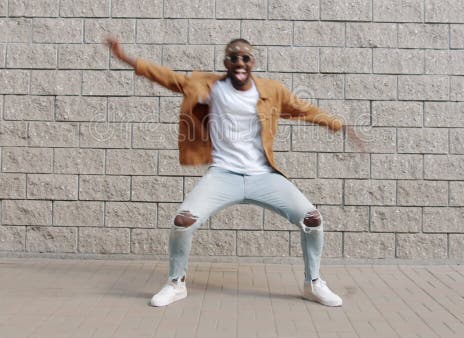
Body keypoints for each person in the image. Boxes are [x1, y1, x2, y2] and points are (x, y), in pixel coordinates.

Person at [104, 36, 357, 307]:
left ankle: (314, 284)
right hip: (223, 175)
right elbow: (165, 77)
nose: (239, 62)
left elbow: (304, 110)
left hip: (263, 176)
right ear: (225, 62)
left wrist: (338, 124)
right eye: (233, 57)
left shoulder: (272, 91)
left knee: (312, 220)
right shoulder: (207, 86)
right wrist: (126, 58)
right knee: (182, 222)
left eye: (245, 58)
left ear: (253, 62)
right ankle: (176, 283)